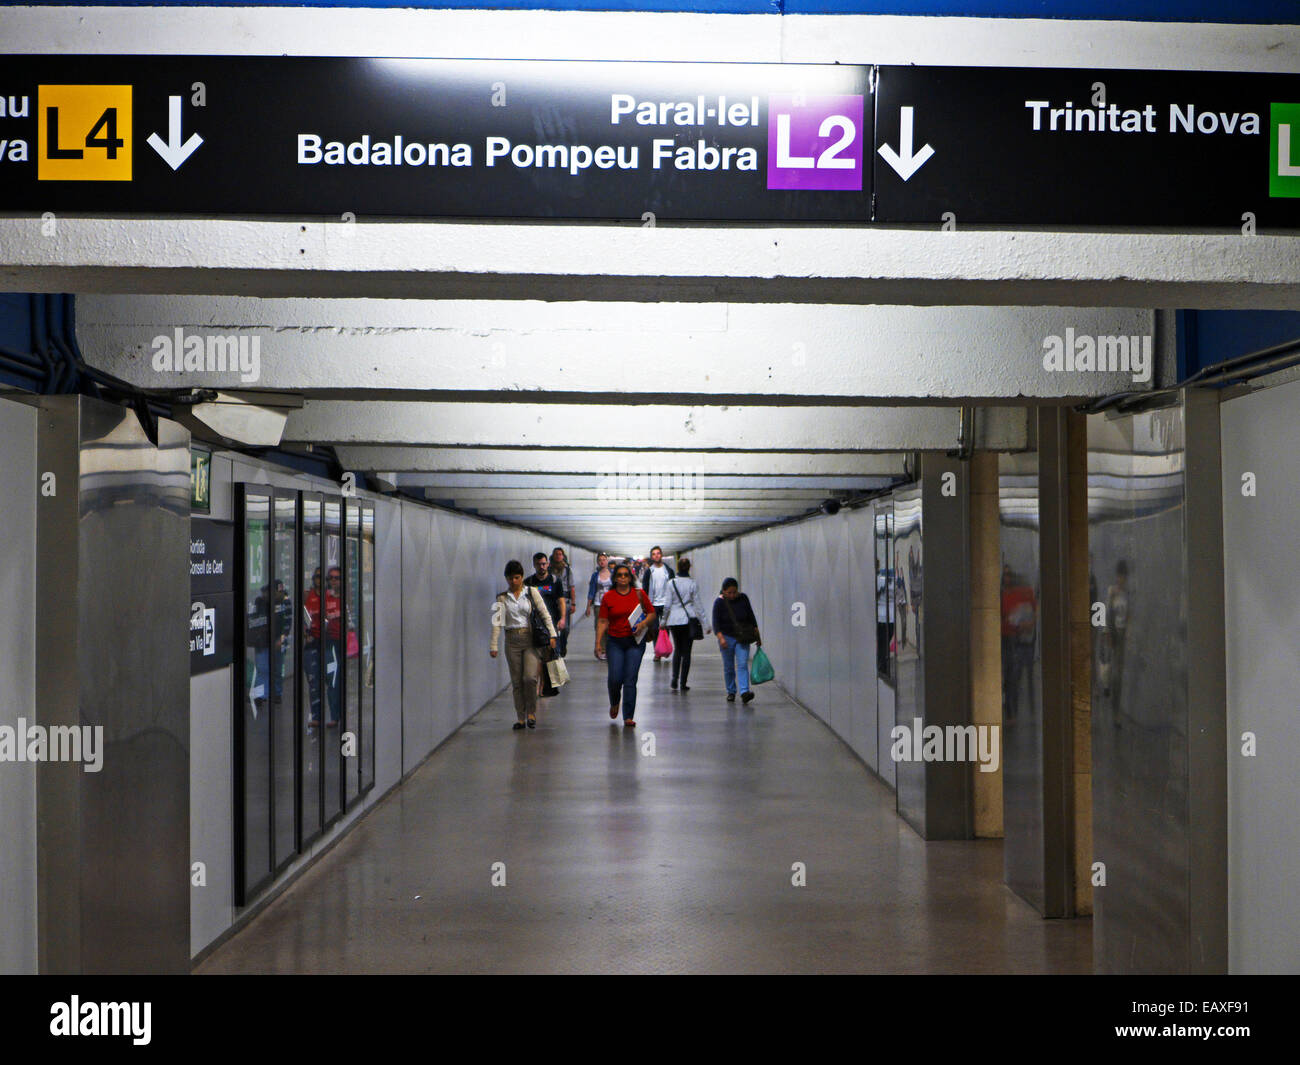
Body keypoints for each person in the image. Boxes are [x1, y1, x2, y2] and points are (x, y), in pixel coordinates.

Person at [490, 560, 557, 729]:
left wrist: (552, 634)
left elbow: (544, 613)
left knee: (530, 678)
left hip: (530, 638)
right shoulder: (502, 598)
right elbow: (497, 623)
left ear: (522, 577)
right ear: (506, 579)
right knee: (517, 681)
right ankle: (520, 717)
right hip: (511, 640)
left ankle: (532, 712)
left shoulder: (531, 593)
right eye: (510, 578)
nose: (514, 582)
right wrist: (494, 645)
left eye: (517, 578)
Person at [595, 562, 655, 727]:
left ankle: (628, 716)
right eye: (619, 575)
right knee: (615, 678)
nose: (622, 577)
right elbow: (602, 621)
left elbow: (651, 613)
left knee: (630, 679)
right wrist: (598, 643)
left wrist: (643, 625)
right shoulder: (608, 597)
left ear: (630, 577)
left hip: (635, 643)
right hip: (615, 642)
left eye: (626, 575)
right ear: (615, 578)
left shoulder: (639, 594)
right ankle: (615, 702)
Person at [712, 577, 761, 704]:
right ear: (723, 591)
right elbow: (716, 623)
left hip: (742, 637)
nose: (732, 595)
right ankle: (731, 691)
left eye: (734, 592)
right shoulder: (719, 602)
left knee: (742, 664)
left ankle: (744, 691)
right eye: (729, 593)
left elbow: (751, 616)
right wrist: (721, 638)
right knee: (728, 667)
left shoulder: (743, 598)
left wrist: (757, 634)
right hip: (726, 637)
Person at [661, 557, 706, 691]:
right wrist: (706, 623)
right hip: (688, 619)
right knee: (687, 652)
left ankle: (674, 678)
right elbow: (698, 605)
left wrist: (663, 621)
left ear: (678, 567)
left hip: (674, 621)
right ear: (689, 567)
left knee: (678, 649)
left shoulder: (671, 583)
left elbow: (667, 605)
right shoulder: (692, 583)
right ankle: (683, 683)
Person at [640, 545, 676, 661]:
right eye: (654, 554)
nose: (656, 556)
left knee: (666, 627)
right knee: (655, 628)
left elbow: (673, 586)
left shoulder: (668, 571)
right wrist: (644, 605)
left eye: (658, 553)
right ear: (651, 557)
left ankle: (664, 647)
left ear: (661, 555)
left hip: (666, 603)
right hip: (653, 604)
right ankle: (657, 652)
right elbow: (645, 589)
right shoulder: (649, 572)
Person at [585, 552, 614, 658]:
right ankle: (601, 649)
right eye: (600, 560)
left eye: (604, 559)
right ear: (598, 562)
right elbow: (591, 591)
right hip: (598, 604)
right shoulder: (595, 576)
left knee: (610, 627)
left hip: (611, 605)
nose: (602, 561)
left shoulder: (613, 574)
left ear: (607, 561)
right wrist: (588, 606)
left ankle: (609, 648)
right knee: (599, 627)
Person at [550, 547, 577, 658]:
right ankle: (557, 648)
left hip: (565, 600)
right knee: (553, 626)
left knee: (565, 628)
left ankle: (563, 643)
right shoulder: (549, 569)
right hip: (553, 600)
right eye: (556, 554)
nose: (558, 556)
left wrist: (573, 603)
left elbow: (572, 587)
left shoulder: (567, 570)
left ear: (563, 556)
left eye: (560, 554)